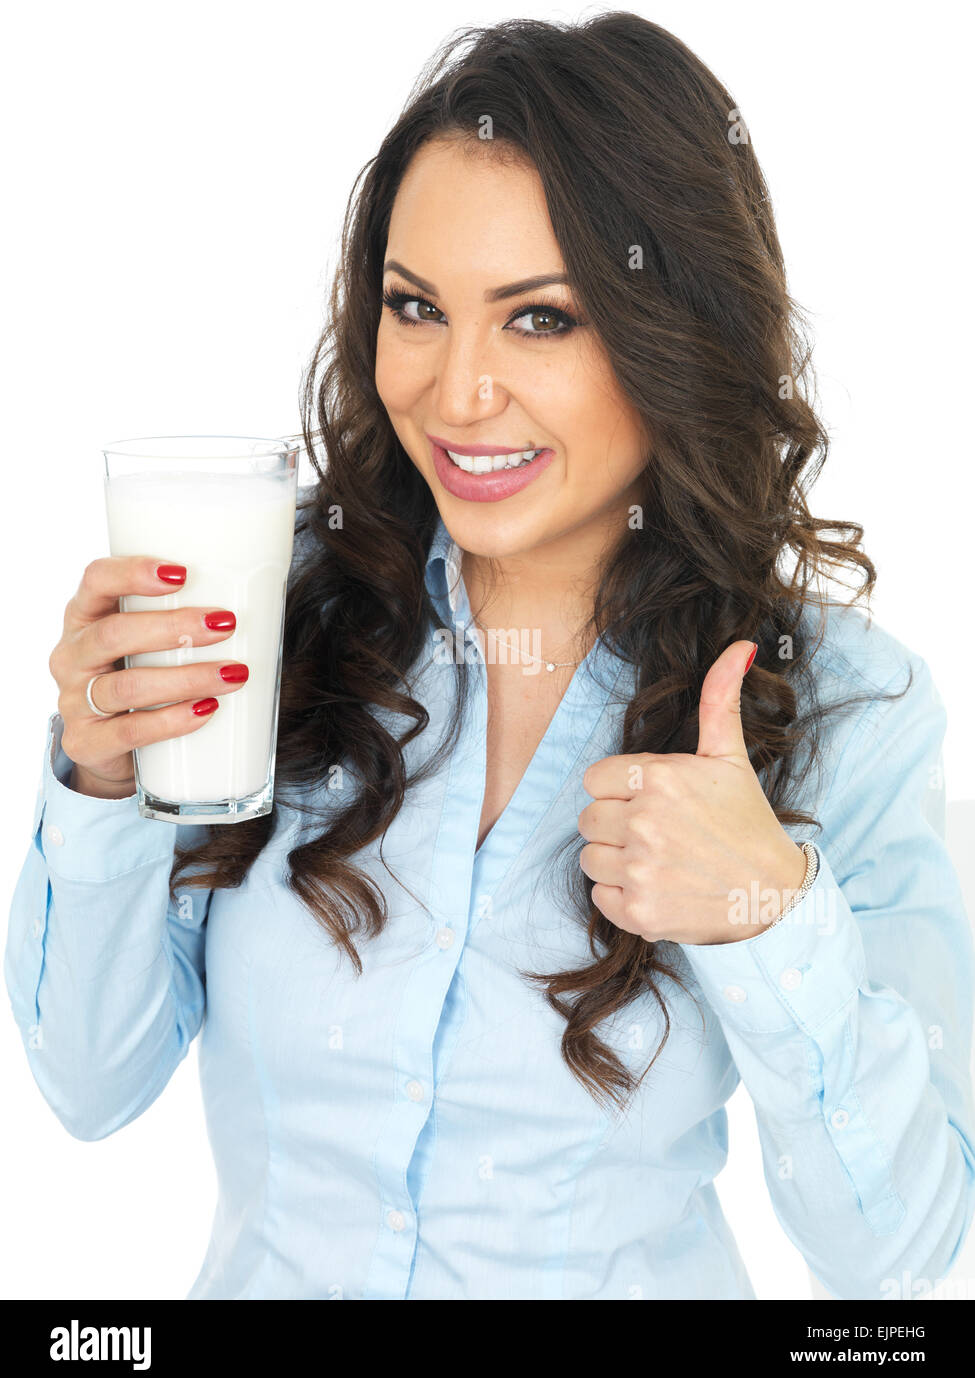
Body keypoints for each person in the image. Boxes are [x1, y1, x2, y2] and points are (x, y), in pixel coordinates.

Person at [6, 13, 975, 1301]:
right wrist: (100, 777)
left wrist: (769, 915)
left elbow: (898, 1254)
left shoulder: (847, 707)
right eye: (417, 307)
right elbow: (90, 1085)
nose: (457, 392)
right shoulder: (264, 608)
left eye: (542, 320)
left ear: (677, 331)